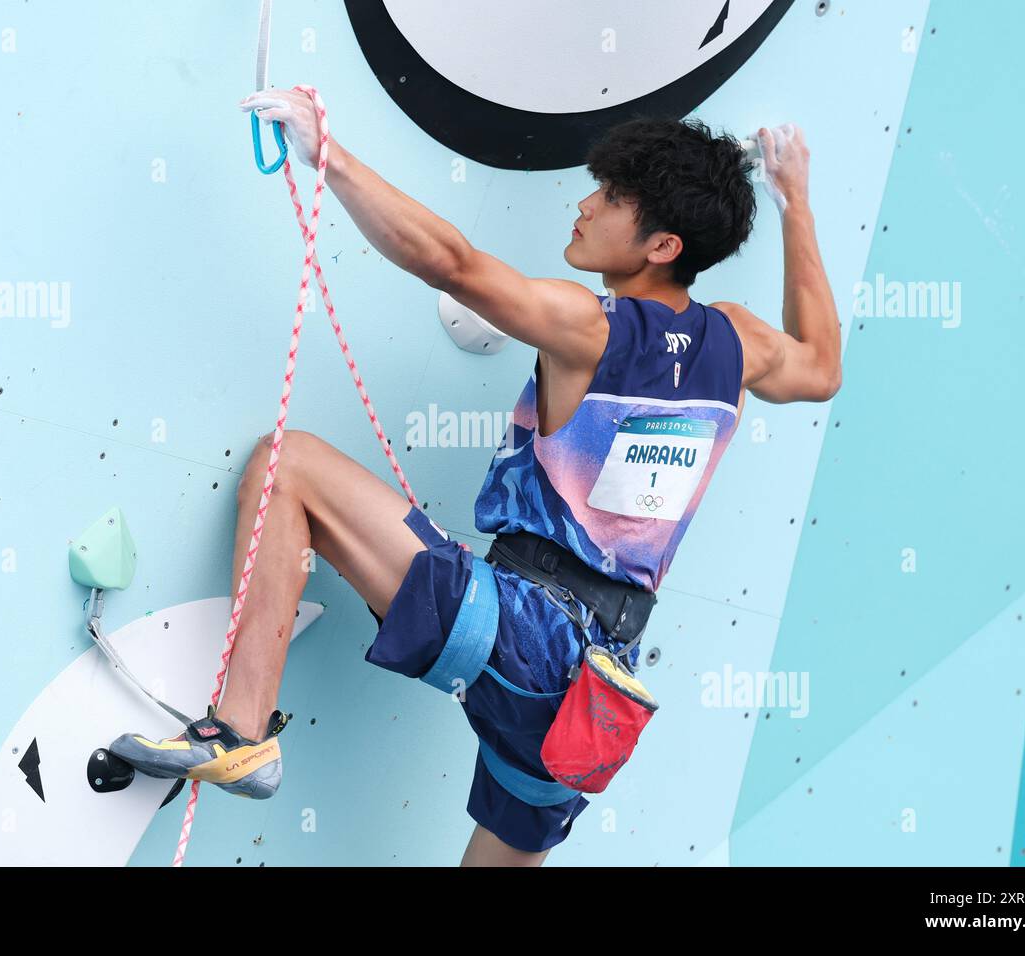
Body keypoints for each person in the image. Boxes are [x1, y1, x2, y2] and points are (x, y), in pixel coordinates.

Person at [110, 91, 841, 866]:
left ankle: (242, 729)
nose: (584, 204)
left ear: (661, 245)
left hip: (521, 632)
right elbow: (823, 366)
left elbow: (451, 264)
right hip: (594, 696)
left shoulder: (589, 326)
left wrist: (330, 152)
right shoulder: (741, 343)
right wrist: (795, 200)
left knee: (286, 463)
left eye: (611, 198)